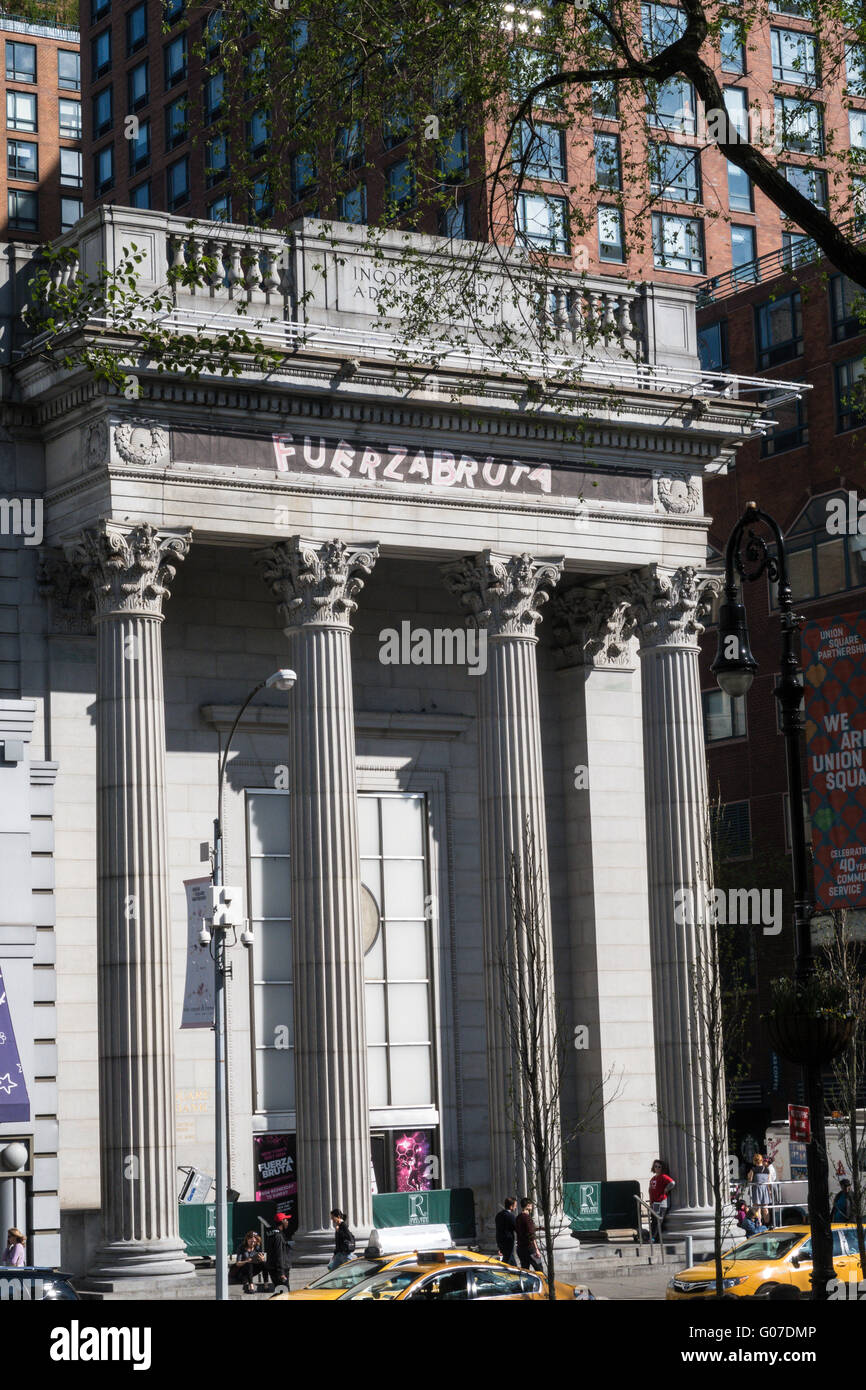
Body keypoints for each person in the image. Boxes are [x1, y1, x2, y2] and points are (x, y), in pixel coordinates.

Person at [648, 1160, 675, 1242]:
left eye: (659, 1167)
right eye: (655, 1166)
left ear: (662, 1168)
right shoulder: (653, 1178)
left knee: (658, 1221)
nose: (657, 1168)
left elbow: (672, 1183)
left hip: (662, 1202)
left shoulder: (663, 1176)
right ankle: (655, 1237)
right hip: (654, 1203)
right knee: (654, 1221)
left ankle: (653, 1238)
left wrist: (667, 1188)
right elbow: (650, 1190)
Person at [266, 1211, 293, 1290]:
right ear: (282, 1222)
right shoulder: (278, 1236)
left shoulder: (272, 1234)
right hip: (281, 1270)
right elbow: (279, 1254)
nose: (287, 1222)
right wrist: (281, 1273)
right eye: (286, 1220)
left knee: (280, 1292)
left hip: (274, 1268)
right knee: (284, 1292)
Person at [515, 1198, 543, 1273]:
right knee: (540, 1270)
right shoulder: (527, 1218)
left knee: (525, 1271)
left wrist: (538, 1228)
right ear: (528, 1206)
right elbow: (531, 1235)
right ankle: (545, 1284)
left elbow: (523, 1230)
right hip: (530, 1248)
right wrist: (536, 1249)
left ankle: (525, 1284)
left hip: (521, 1248)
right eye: (531, 1206)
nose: (532, 1207)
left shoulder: (518, 1217)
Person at [746, 1153, 772, 1228]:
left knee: (757, 1209)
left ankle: (759, 1224)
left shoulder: (753, 1169)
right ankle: (767, 1225)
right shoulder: (767, 1170)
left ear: (754, 1161)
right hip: (765, 1190)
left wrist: (748, 1176)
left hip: (756, 1190)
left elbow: (750, 1179)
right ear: (761, 1160)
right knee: (765, 1209)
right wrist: (769, 1191)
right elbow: (768, 1181)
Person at [494, 1197, 518, 1265]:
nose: (515, 1208)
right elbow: (516, 1228)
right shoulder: (510, 1216)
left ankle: (515, 1269)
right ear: (511, 1206)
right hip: (508, 1241)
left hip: (500, 1240)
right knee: (507, 1260)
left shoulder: (498, 1215)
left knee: (511, 1260)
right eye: (515, 1206)